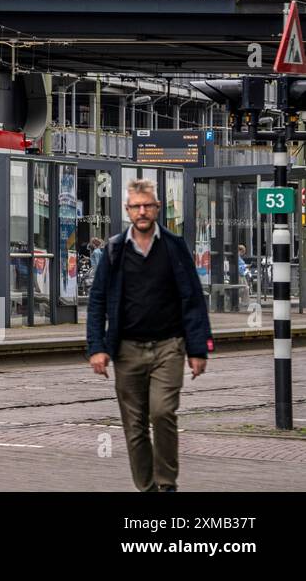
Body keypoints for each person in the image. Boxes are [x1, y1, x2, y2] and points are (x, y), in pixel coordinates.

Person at [87, 178, 213, 492]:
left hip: (169, 347)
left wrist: (198, 349)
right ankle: (147, 487)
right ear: (128, 210)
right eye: (136, 206)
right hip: (127, 350)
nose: (142, 212)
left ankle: (167, 484)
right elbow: (97, 301)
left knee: (163, 412)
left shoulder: (173, 246)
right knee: (135, 427)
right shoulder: (115, 250)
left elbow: (193, 297)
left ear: (157, 208)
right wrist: (96, 348)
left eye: (147, 206)